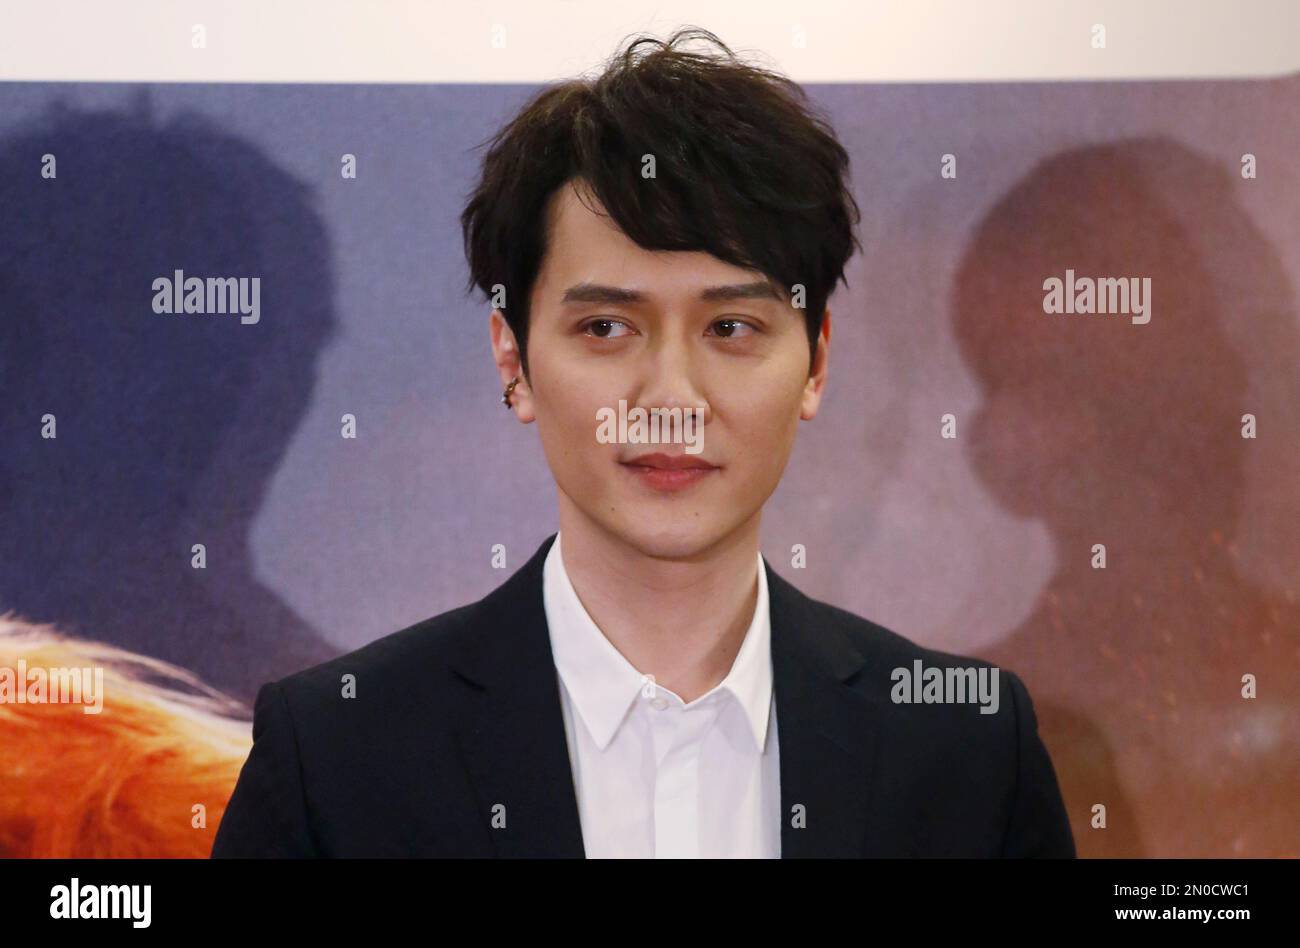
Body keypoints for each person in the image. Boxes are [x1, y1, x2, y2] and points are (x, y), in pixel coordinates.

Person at [212, 26, 1074, 858]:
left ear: (815, 363)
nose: (670, 398)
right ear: (513, 359)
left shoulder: (965, 755)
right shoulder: (335, 760)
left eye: (731, 326)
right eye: (607, 328)